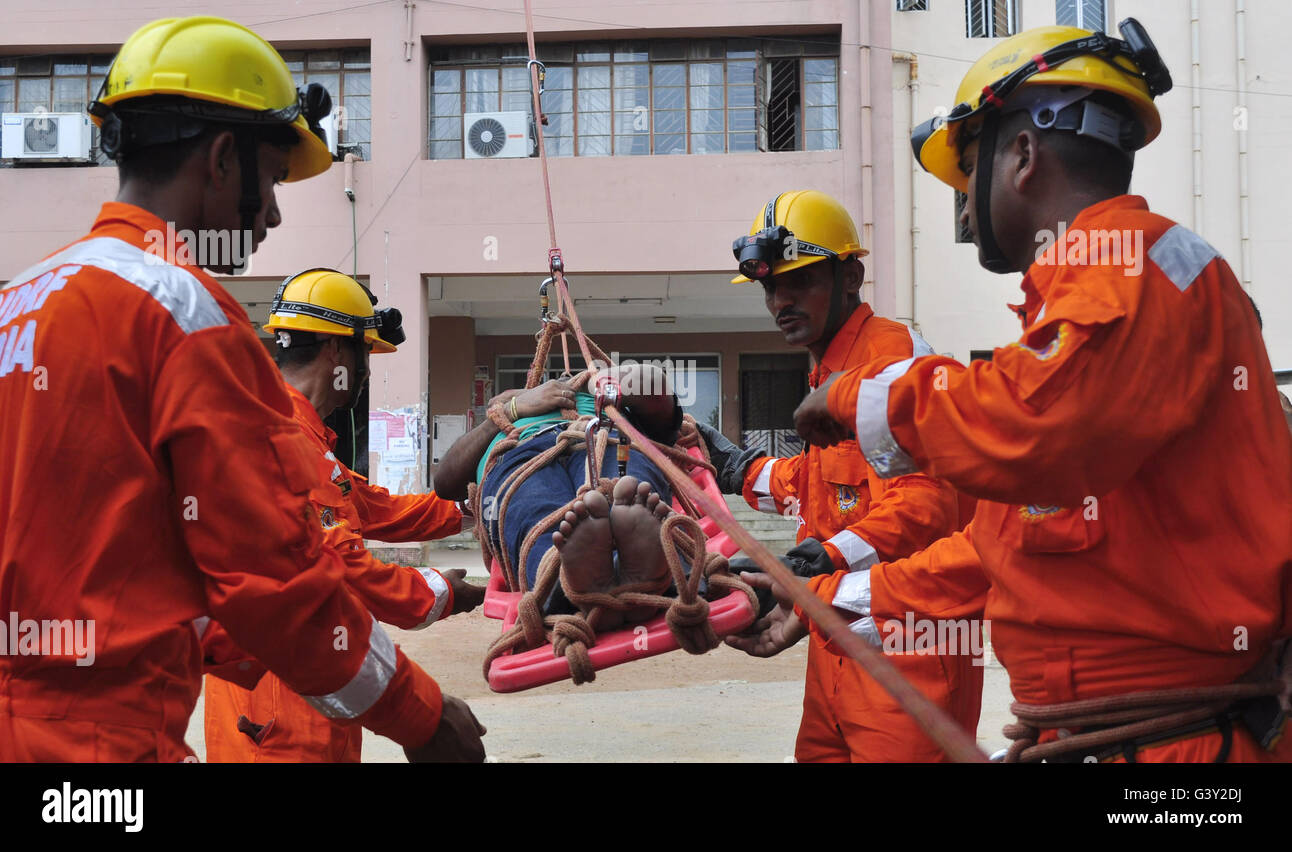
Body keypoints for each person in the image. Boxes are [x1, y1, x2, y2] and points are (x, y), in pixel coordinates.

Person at [789, 22, 1292, 762]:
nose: (962, 211)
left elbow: (1032, 425)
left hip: (1175, 751)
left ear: (1021, 155)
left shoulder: (1138, 266)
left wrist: (857, 398)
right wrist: (824, 600)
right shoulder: (1091, 304)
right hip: (1111, 735)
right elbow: (998, 550)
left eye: (966, 178)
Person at [0, 16, 483, 762]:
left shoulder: (13, 304)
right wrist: (420, 714)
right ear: (224, 160)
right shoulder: (183, 311)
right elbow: (269, 572)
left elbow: (120, 566)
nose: (276, 215)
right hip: (101, 750)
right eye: (276, 181)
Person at [702, 190, 978, 762]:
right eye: (770, 287)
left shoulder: (893, 361)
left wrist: (819, 561)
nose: (781, 300)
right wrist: (735, 468)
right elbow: (824, 486)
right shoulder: (832, 367)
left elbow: (925, 507)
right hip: (837, 642)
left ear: (850, 275)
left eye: (799, 281)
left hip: (908, 659)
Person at [201, 268, 485, 762]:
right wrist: (438, 591)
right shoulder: (280, 437)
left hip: (289, 704)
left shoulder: (296, 433)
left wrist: (470, 508)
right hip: (279, 723)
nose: (366, 371)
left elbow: (374, 508)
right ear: (336, 352)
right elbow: (336, 567)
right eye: (365, 354)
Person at [434, 364, 684, 628]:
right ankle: (584, 579)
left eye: (569, 375)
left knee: (625, 490)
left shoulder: (609, 398)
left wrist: (599, 380)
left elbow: (653, 384)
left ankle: (592, 584)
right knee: (531, 505)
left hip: (601, 434)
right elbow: (445, 483)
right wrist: (511, 409)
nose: (562, 379)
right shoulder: (504, 416)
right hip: (520, 454)